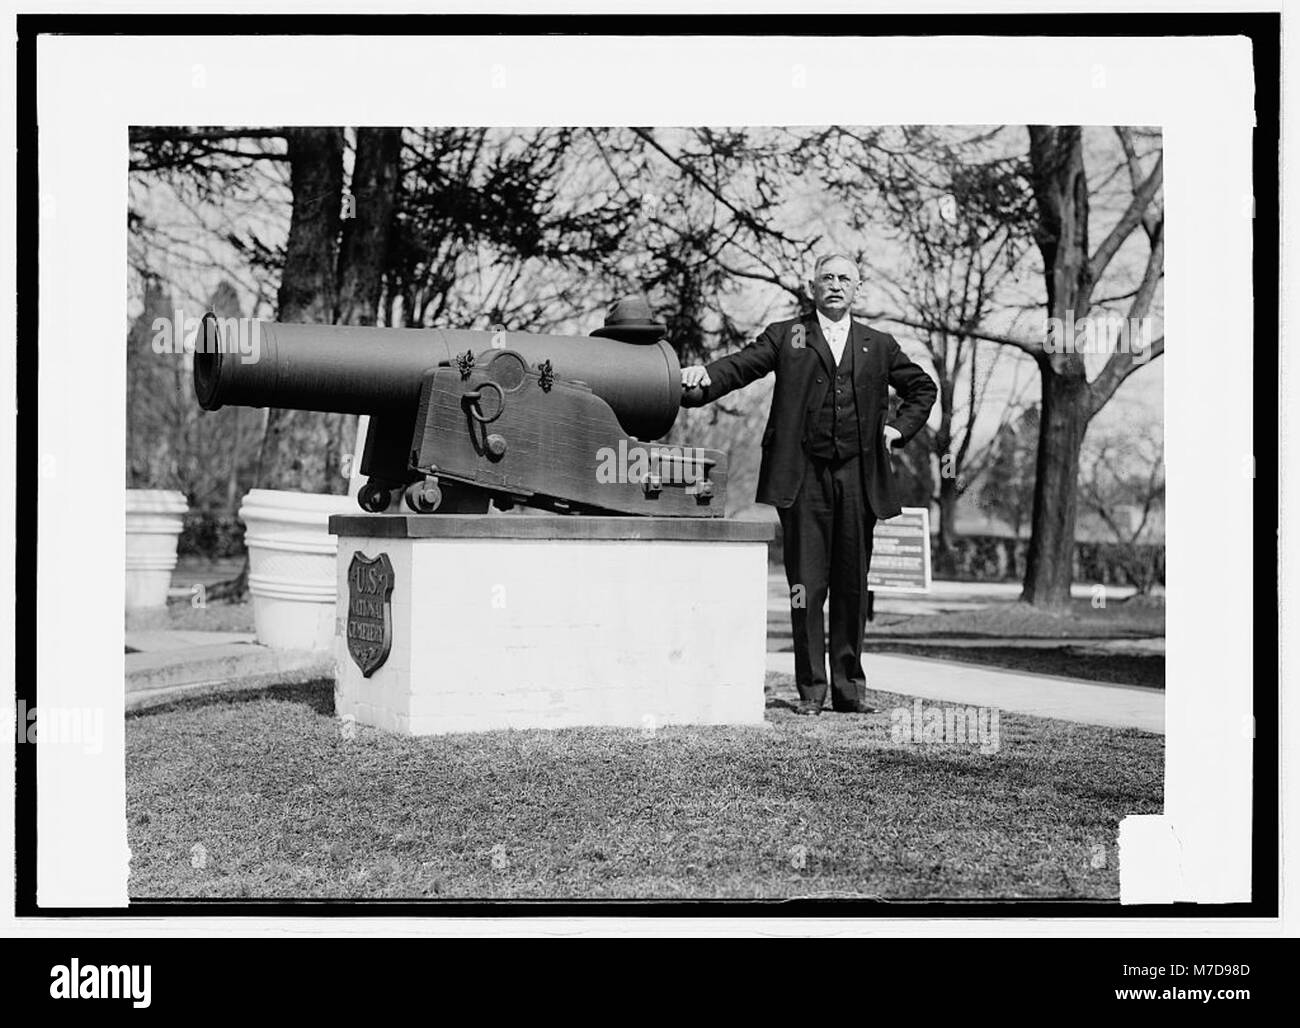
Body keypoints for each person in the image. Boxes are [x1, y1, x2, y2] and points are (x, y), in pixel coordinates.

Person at [681, 254, 937, 715]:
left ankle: (849, 689)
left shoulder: (878, 344)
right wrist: (703, 378)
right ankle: (812, 690)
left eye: (845, 279)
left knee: (852, 586)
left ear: (859, 290)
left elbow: (923, 388)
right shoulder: (788, 335)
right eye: (827, 278)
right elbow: (742, 366)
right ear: (811, 286)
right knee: (807, 585)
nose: (836, 285)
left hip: (860, 477)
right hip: (802, 478)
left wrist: (896, 430)